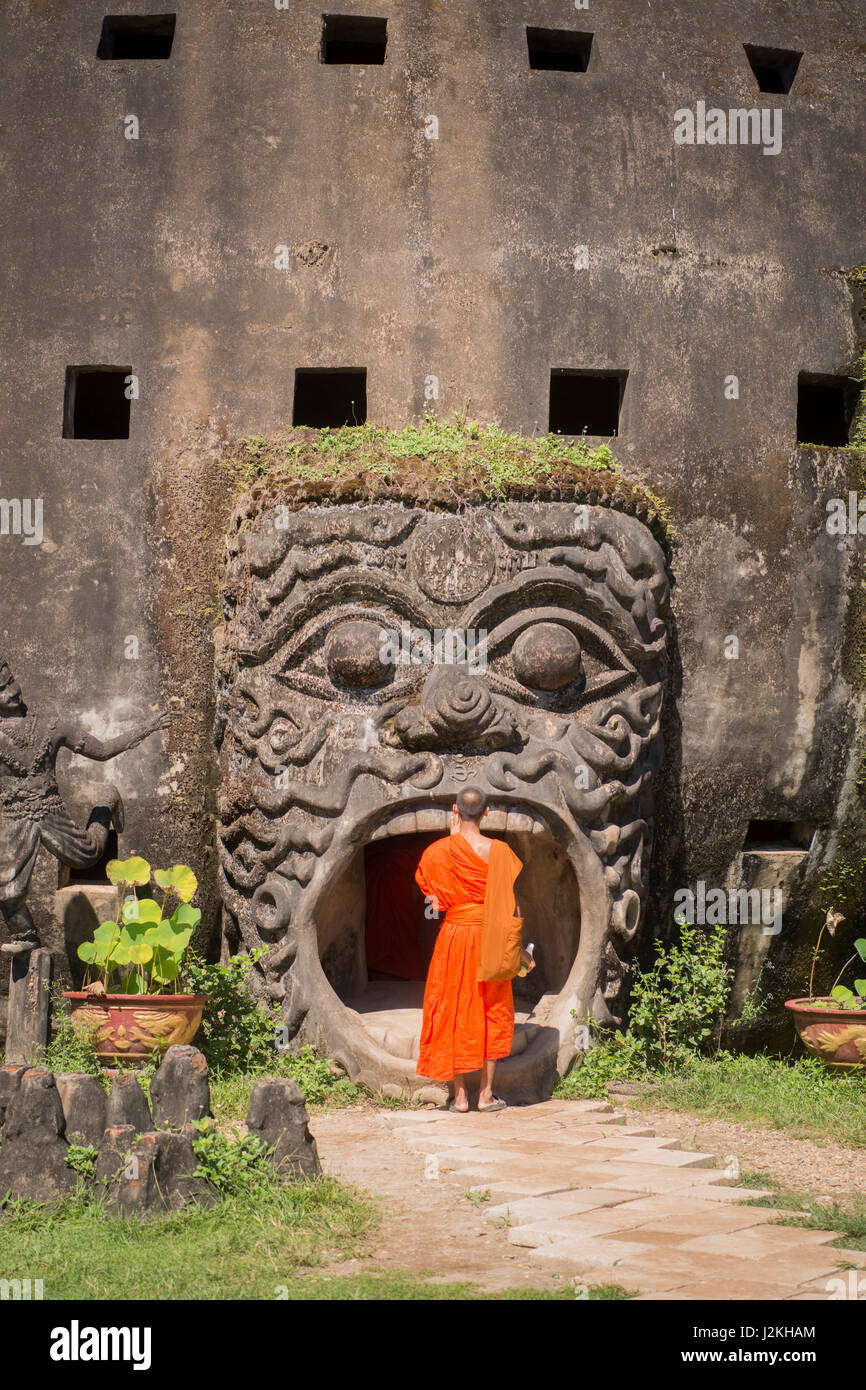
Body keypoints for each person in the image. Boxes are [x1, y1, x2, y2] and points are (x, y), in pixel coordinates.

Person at [415, 786, 534, 1112]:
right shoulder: (501, 852)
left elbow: (435, 902)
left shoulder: (437, 852)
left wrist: (450, 843)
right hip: (492, 936)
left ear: (455, 811)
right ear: (486, 812)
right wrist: (519, 950)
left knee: (453, 1008)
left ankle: (462, 1098)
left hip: (454, 937)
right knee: (494, 1009)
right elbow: (508, 907)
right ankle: (485, 1095)